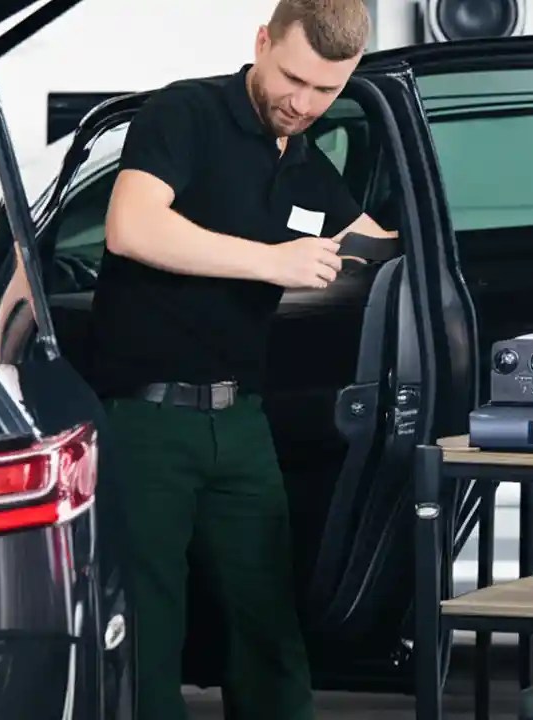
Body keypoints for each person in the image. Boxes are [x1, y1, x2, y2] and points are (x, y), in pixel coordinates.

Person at [87, 1, 394, 718]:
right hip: (148, 419)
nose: (303, 103)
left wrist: (440, 250)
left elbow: (374, 244)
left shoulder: (306, 163)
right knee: (146, 624)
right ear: (262, 41)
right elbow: (130, 227)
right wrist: (270, 262)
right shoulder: (184, 113)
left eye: (326, 91)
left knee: (268, 621)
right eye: (293, 79)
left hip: (243, 423)